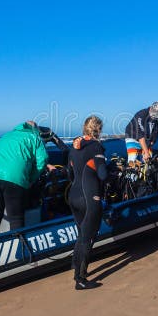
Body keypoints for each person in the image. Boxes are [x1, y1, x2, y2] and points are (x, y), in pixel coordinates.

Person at [0, 121, 50, 236]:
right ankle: (17, 248)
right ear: (35, 129)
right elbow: (43, 160)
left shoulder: (5, 136)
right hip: (14, 178)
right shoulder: (34, 137)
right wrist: (30, 179)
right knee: (16, 218)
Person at [67, 116, 108, 290]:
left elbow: (69, 172)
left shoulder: (73, 146)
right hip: (88, 197)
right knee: (87, 237)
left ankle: (75, 267)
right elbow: (102, 174)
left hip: (73, 195)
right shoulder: (96, 146)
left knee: (81, 234)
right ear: (98, 129)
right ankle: (80, 279)